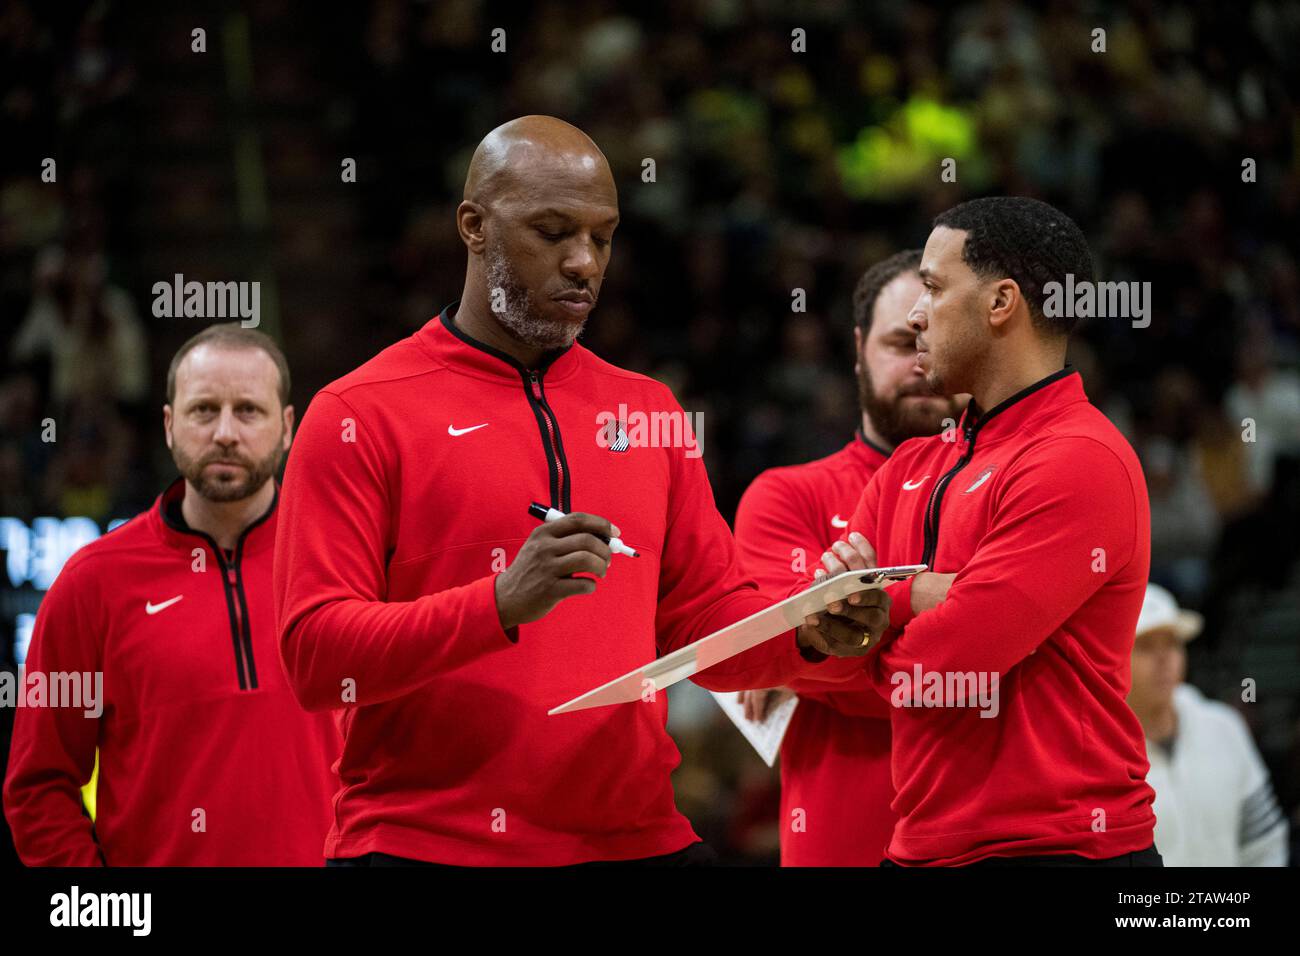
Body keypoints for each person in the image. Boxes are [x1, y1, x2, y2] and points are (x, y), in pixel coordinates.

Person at [272, 115, 882, 867]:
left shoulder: (651, 411)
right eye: (553, 232)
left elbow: (703, 624)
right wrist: (496, 604)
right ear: (473, 226)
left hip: (633, 838)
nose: (584, 263)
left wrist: (805, 632)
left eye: (603, 236)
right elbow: (315, 659)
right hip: (428, 843)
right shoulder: (359, 413)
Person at [816, 196, 1160, 866]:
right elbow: (833, 652)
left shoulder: (1081, 459)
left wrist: (886, 599)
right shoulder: (908, 465)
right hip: (918, 846)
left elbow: (946, 664)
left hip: (1060, 848)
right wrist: (934, 594)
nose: (916, 314)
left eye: (934, 288)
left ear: (1001, 303)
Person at [4, 324, 341, 865]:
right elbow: (38, 788)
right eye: (204, 410)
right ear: (169, 425)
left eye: (248, 411)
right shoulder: (91, 582)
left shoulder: (350, 560)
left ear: (286, 428)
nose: (225, 432)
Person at [733, 250, 965, 865]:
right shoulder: (786, 495)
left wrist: (833, 650)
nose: (920, 364)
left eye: (934, 341)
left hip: (985, 834)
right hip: (841, 841)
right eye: (898, 342)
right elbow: (778, 650)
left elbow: (1015, 649)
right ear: (859, 346)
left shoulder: (1006, 482)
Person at [1129, 583, 1288, 866]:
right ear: (1115, 656)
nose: (1164, 659)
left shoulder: (1224, 727)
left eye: (1172, 644)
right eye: (1146, 646)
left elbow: (1263, 841)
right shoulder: (1097, 749)